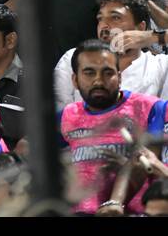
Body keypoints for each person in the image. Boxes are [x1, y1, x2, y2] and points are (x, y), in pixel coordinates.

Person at [63, 39, 168, 215]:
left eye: (107, 73)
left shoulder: (152, 108)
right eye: (89, 73)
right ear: (75, 79)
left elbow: (147, 163)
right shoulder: (67, 115)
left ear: (119, 77)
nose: (98, 81)